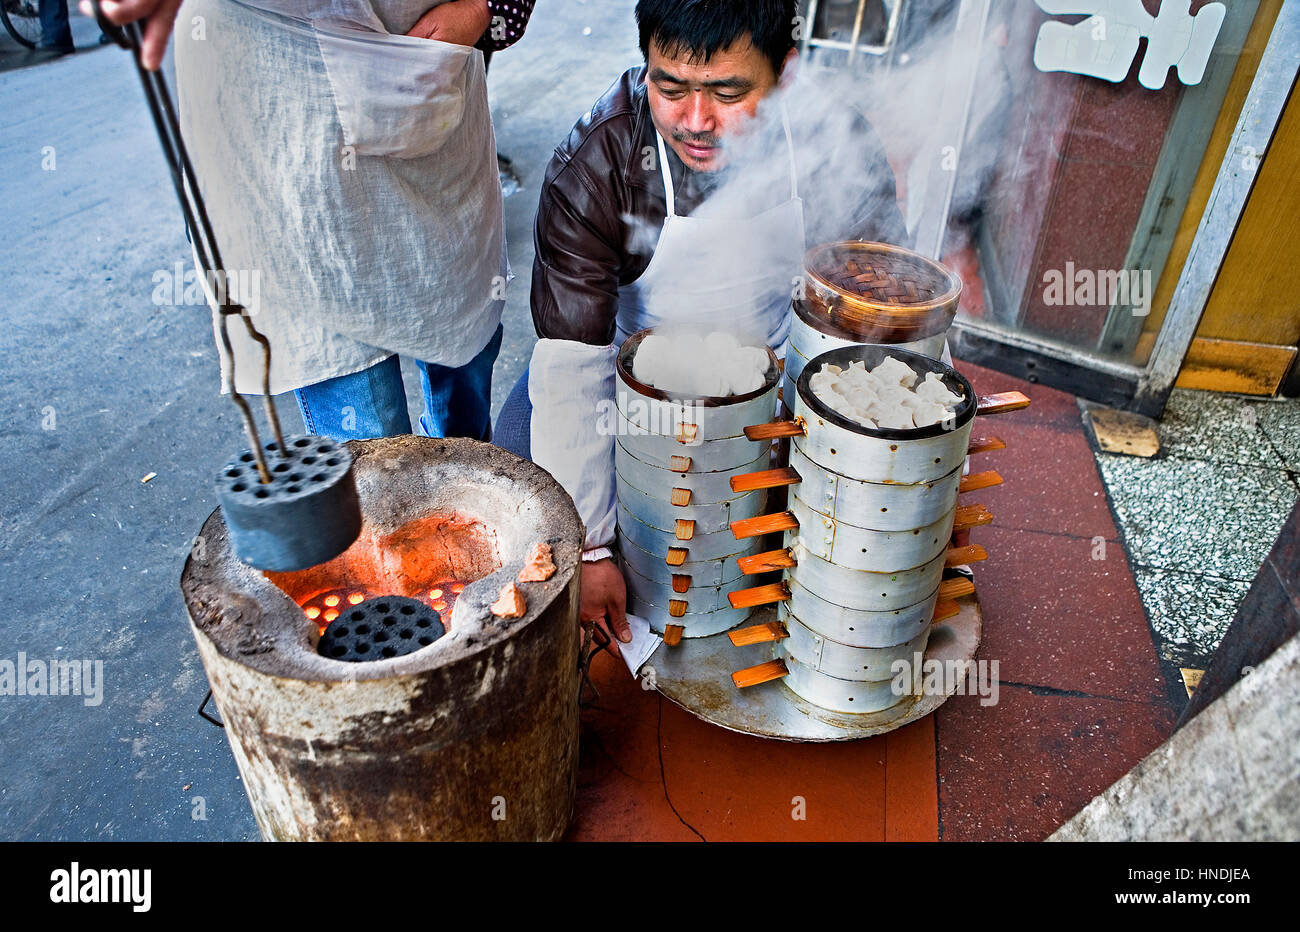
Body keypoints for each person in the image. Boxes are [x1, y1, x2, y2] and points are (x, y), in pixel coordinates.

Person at [494, 0, 907, 645]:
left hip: (781, 378)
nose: (696, 122)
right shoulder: (597, 164)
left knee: (837, 545)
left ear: (785, 75)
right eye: (670, 87)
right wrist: (592, 549)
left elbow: (878, 307)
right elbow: (573, 360)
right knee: (523, 477)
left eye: (728, 92)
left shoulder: (835, 143)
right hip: (626, 376)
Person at [90, 0, 536, 442]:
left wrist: (488, 8)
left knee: (465, 384)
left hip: (434, 88)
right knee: (370, 455)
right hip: (276, 118)